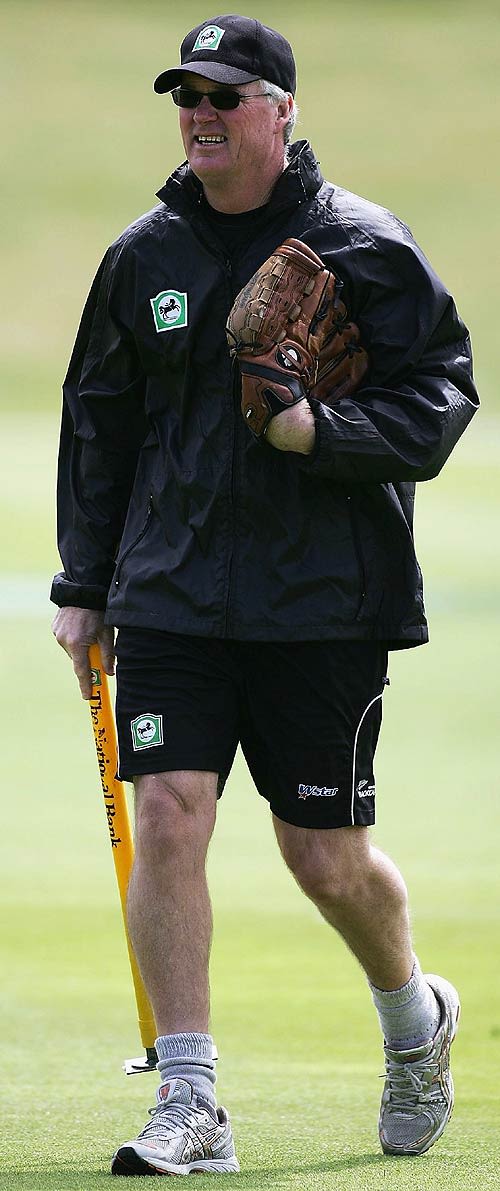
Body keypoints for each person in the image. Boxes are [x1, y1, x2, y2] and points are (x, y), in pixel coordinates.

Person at [51, 13, 478, 1178]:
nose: (199, 115)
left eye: (224, 97)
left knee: (323, 858)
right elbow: (98, 424)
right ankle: (191, 1102)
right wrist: (84, 584)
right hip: (171, 594)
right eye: (185, 97)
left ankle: (413, 1020)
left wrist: (317, 432)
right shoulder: (144, 257)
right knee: (169, 813)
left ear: (280, 112)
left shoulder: (365, 246)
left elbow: (441, 397)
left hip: (322, 602)